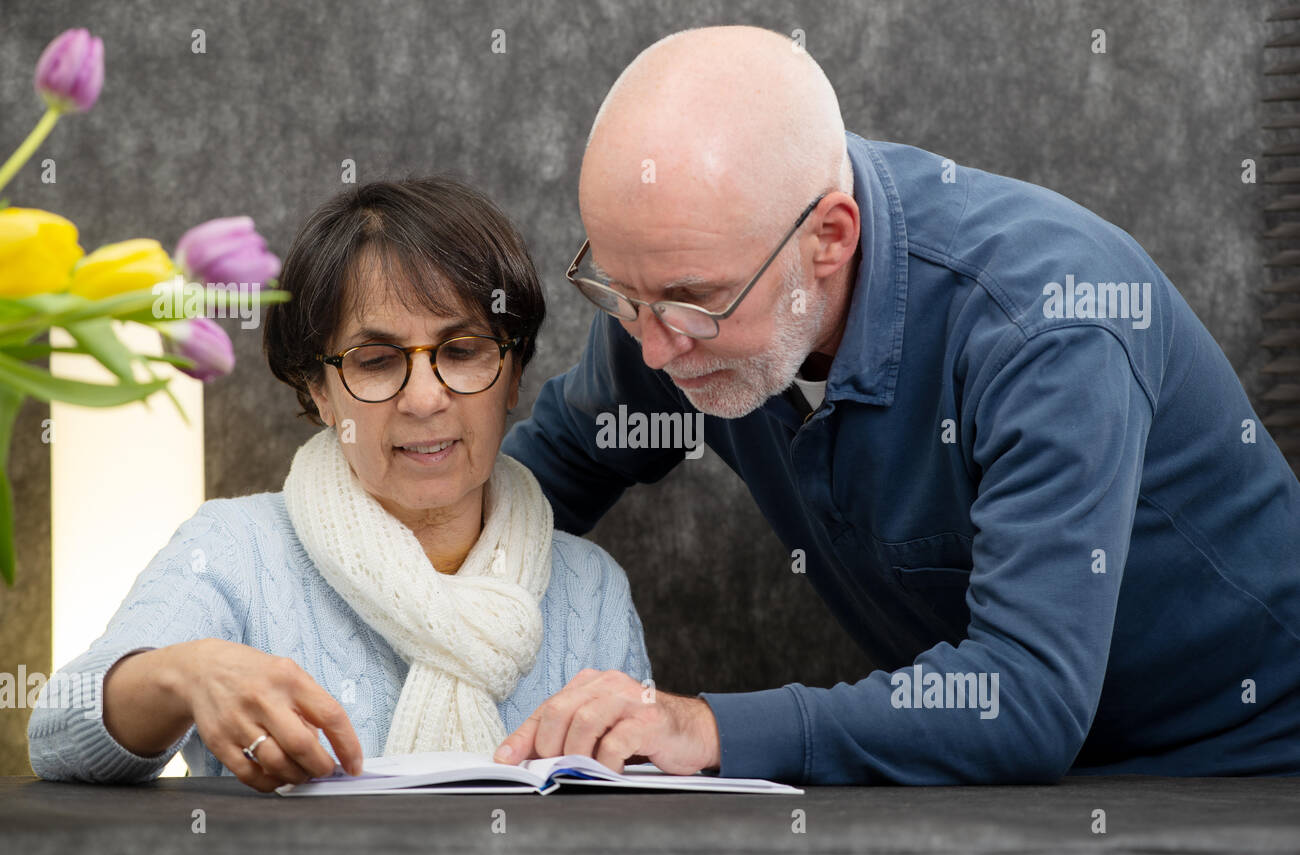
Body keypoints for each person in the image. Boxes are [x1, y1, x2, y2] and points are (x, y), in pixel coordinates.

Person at [494, 24, 1300, 783]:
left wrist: (705, 728)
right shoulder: (673, 300)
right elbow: (537, 485)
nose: (655, 351)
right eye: (619, 293)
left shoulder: (1051, 323)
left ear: (830, 238)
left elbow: (1023, 696)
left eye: (691, 301)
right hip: (1001, 785)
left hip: (1246, 765)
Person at [27, 177, 651, 793]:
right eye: (376, 361)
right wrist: (182, 675)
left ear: (513, 376)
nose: (426, 397)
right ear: (318, 393)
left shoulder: (591, 590)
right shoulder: (232, 551)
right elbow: (55, 734)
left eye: (462, 351)